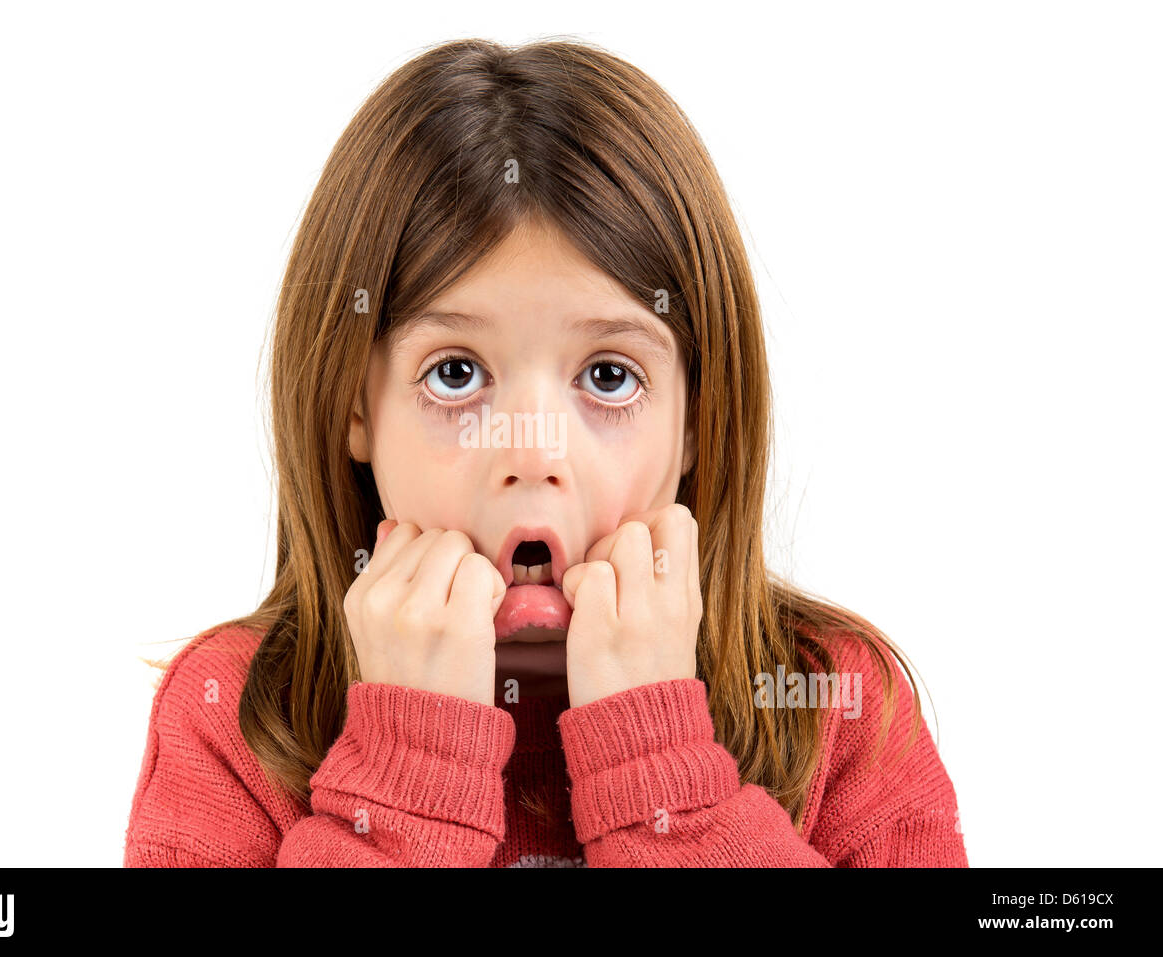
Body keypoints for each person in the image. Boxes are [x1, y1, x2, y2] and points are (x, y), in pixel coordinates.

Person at [123, 36, 967, 867]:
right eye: (456, 374)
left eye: (608, 375)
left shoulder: (842, 712)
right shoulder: (231, 719)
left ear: (698, 422)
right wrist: (405, 770)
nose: (533, 451)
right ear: (353, 405)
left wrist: (661, 770)